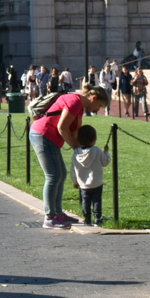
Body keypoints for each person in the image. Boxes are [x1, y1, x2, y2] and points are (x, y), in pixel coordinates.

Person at [28, 84, 111, 229]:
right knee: (53, 176)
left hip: (48, 138)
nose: (98, 110)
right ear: (94, 98)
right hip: (43, 135)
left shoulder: (78, 107)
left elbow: (74, 131)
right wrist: (75, 148)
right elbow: (62, 127)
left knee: (61, 174)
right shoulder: (75, 102)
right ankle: (50, 217)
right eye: (99, 106)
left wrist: (83, 148)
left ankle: (58, 213)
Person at [72, 124, 111, 227]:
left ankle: (87, 219)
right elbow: (105, 162)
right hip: (96, 181)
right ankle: (98, 218)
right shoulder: (97, 150)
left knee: (85, 201)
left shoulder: (77, 152)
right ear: (94, 139)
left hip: (83, 183)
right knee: (97, 200)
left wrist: (75, 181)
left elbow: (73, 168)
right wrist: (106, 152)